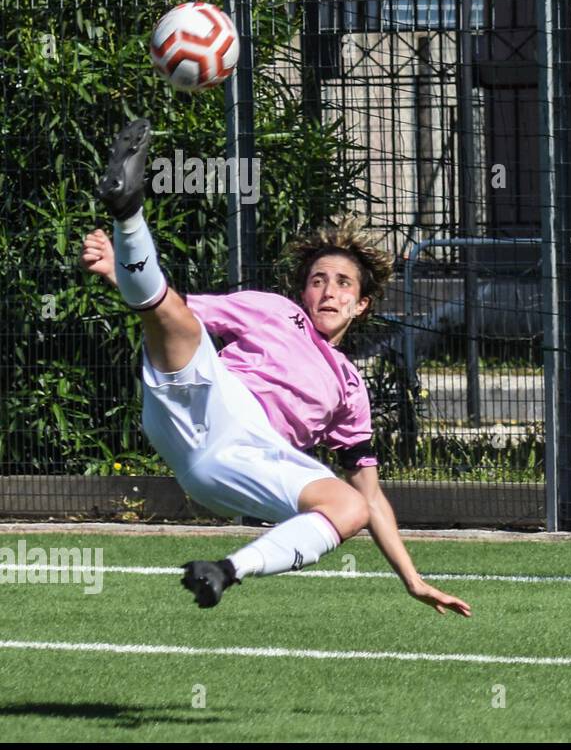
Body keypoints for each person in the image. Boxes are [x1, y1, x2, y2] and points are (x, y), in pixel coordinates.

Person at [80, 118, 471, 616]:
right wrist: (118, 270)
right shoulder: (273, 310)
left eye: (344, 284)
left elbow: (370, 498)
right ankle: (128, 211)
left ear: (363, 305)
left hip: (250, 461)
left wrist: (413, 580)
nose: (329, 290)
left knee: (349, 507)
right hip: (211, 401)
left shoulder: (349, 386)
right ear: (303, 290)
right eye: (318, 279)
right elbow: (174, 306)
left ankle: (224, 571)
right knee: (172, 320)